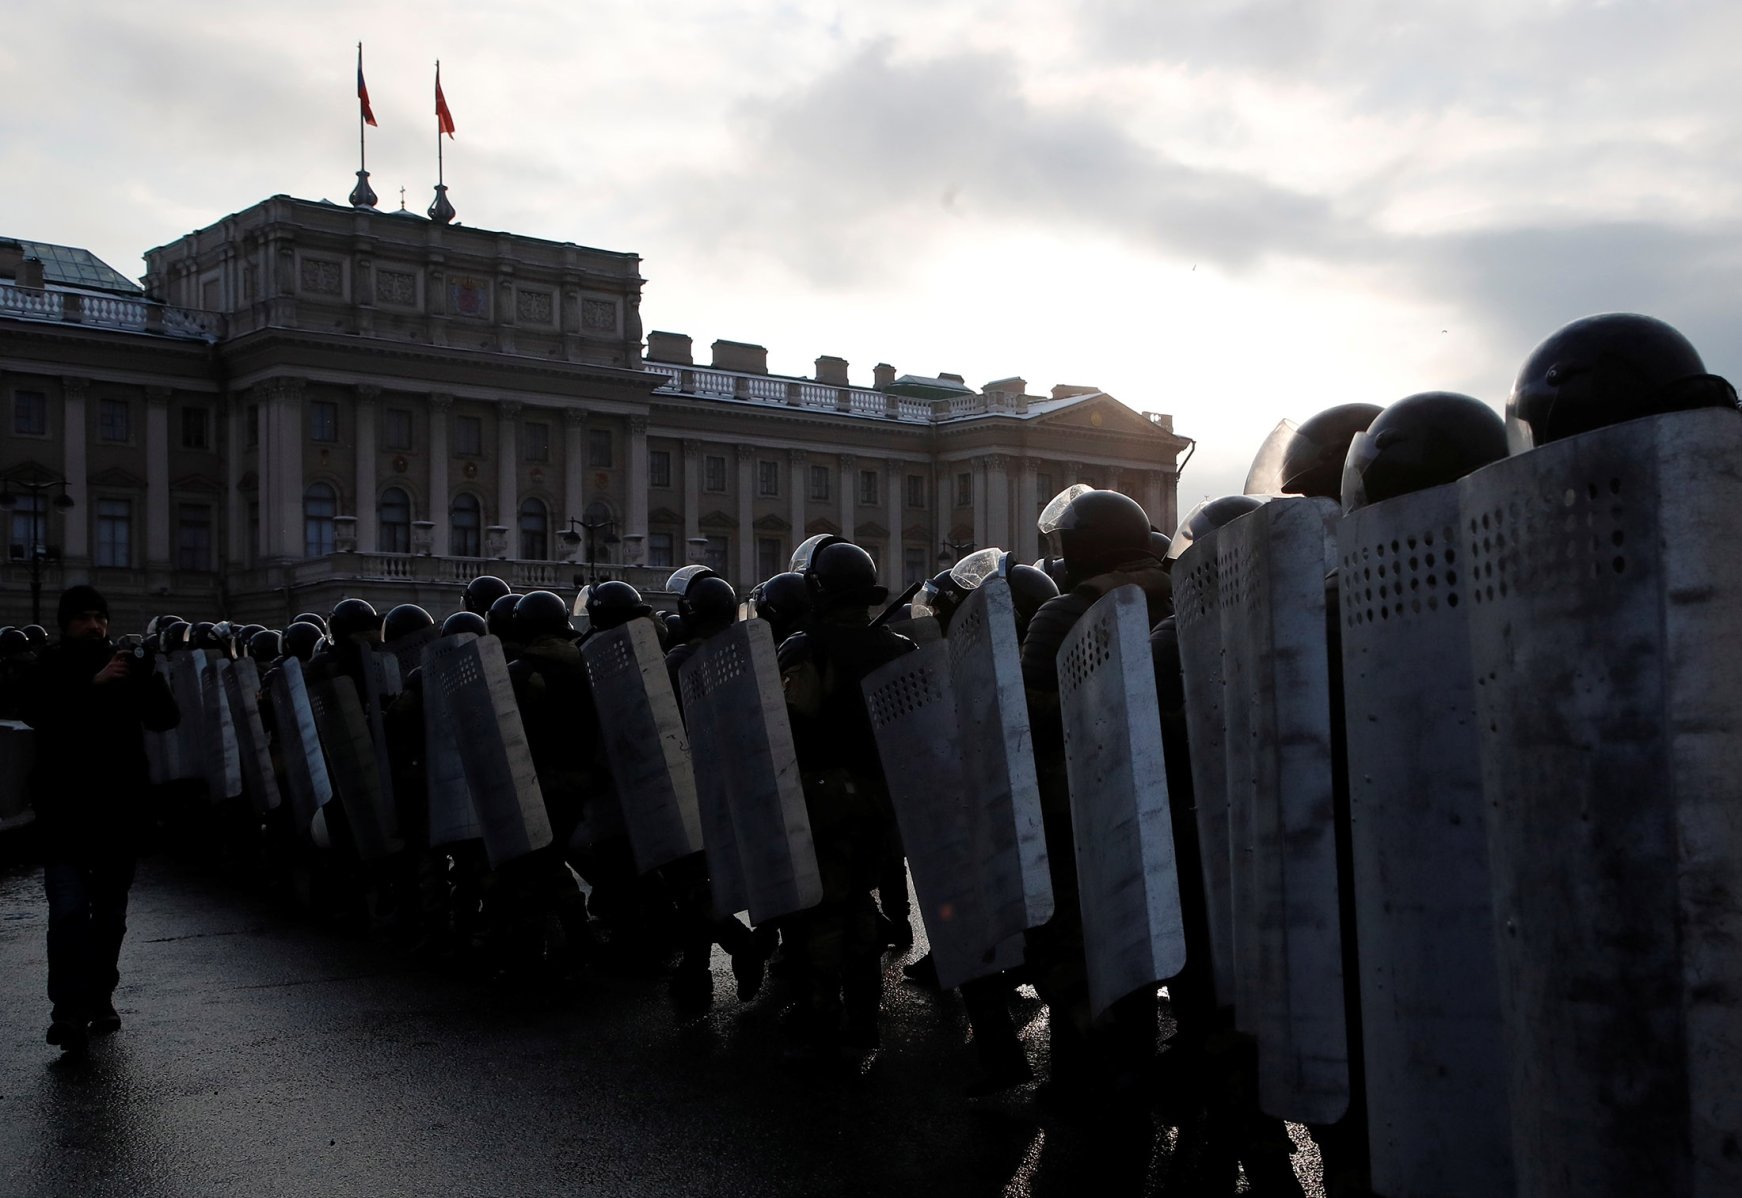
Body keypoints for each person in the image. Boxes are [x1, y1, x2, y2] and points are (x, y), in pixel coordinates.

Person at [24, 585, 179, 1054]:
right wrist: (91, 686)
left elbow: (166, 718)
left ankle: (100, 997)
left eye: (100, 618)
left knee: (110, 915)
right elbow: (37, 713)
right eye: (84, 618)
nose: (95, 626)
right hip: (64, 815)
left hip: (118, 814)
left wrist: (147, 675)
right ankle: (67, 1013)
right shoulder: (49, 666)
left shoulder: (126, 665)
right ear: (65, 624)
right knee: (69, 913)